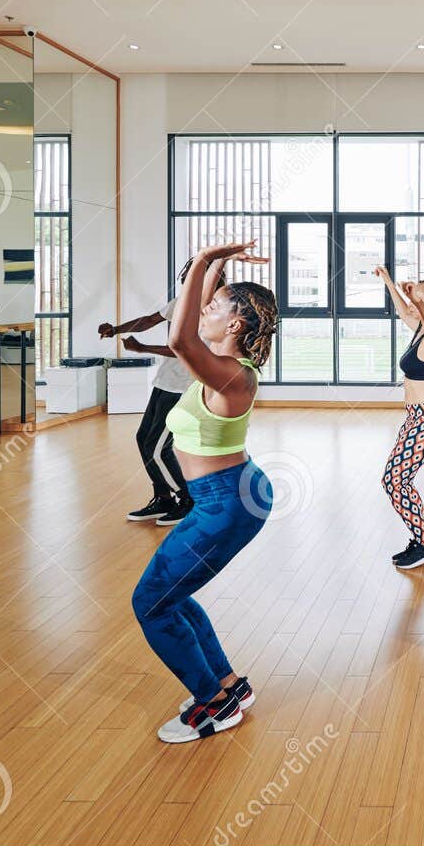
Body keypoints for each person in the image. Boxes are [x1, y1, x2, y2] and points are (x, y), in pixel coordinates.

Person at [130, 240, 279, 744]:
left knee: (151, 604)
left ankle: (213, 706)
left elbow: (179, 339)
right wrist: (215, 266)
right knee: (173, 594)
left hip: (226, 504)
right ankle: (230, 686)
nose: (203, 310)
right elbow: (195, 323)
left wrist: (201, 262)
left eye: (216, 307)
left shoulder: (231, 377)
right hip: (225, 495)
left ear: (235, 325)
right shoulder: (220, 359)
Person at [98, 259, 222, 526]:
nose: (187, 277)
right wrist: (115, 330)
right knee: (144, 438)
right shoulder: (182, 302)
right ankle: (163, 497)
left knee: (157, 447)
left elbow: (187, 347)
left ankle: (189, 500)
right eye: (187, 273)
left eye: (194, 274)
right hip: (165, 381)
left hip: (184, 387)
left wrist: (143, 349)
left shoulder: (213, 310)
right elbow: (149, 320)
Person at [374, 266, 424, 571]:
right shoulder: (420, 328)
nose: (412, 299)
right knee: (395, 479)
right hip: (415, 417)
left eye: (420, 293)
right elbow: (402, 310)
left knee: (395, 480)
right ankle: (422, 541)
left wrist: (418, 299)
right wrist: (388, 280)